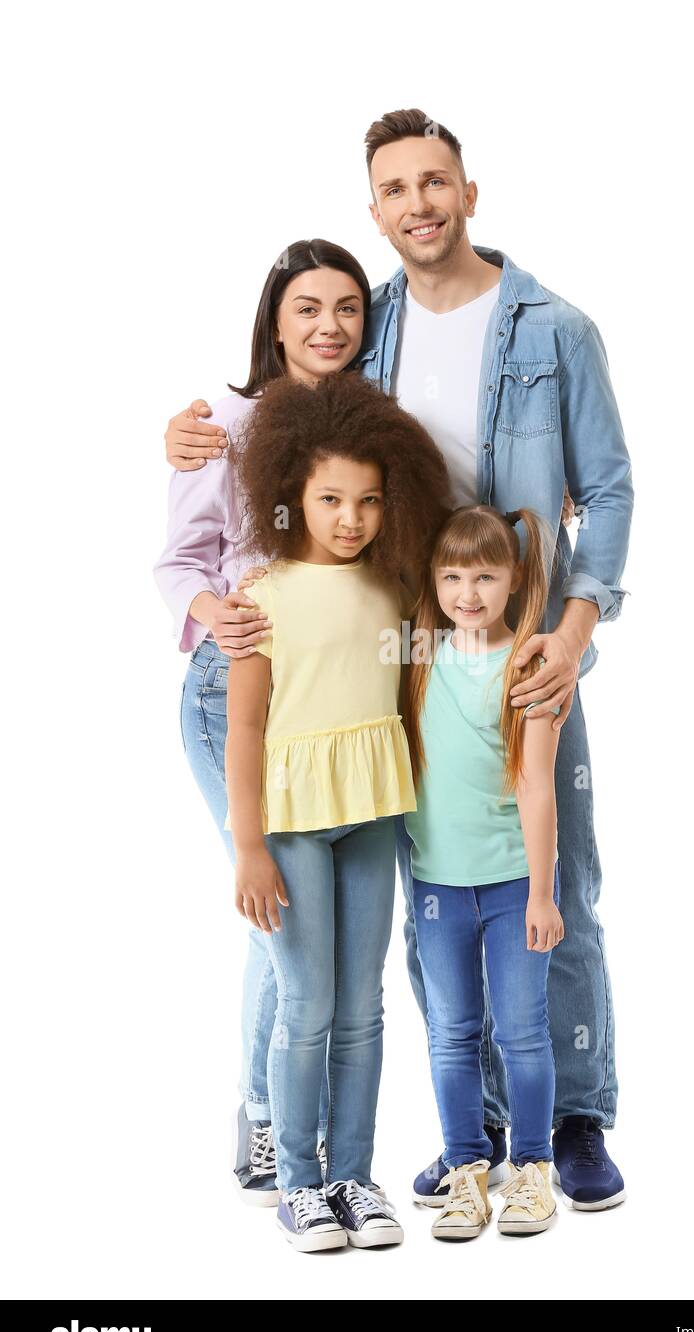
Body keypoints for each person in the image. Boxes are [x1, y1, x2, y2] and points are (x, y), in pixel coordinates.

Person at [164, 106, 634, 1213]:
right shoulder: (363, 325)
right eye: (393, 189)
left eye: (435, 182)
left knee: (548, 870)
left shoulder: (551, 328)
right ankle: (461, 1132)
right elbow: (274, 407)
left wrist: (569, 634)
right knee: (431, 876)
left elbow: (606, 489)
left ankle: (571, 1116)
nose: (417, 203)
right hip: (402, 649)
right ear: (372, 209)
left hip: (518, 645)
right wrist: (192, 430)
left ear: (468, 193)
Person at [154, 240, 377, 1204]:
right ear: (274, 321)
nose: (328, 326)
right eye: (306, 308)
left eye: (347, 309)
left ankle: (266, 1117)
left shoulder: (373, 420)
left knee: (285, 928)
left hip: (339, 700)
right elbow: (178, 561)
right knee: (279, 909)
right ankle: (268, 1126)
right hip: (233, 690)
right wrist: (216, 612)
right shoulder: (223, 425)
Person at [224, 369, 451, 1250]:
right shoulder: (263, 599)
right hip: (289, 823)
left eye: (367, 501)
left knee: (363, 1002)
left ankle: (355, 1177)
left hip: (374, 814)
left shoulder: (396, 594)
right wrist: (248, 845)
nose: (350, 518)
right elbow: (243, 727)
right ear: (293, 494)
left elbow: (436, 677)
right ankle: (298, 1183)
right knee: (306, 999)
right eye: (329, 499)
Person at [403, 503, 564, 1240]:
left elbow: (536, 786)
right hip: (438, 884)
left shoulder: (527, 663)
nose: (468, 592)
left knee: (523, 1032)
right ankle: (467, 1166)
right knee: (452, 1031)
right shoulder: (415, 652)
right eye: (452, 575)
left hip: (510, 886)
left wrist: (540, 892)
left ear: (514, 578)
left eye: (485, 576)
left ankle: (533, 1169)